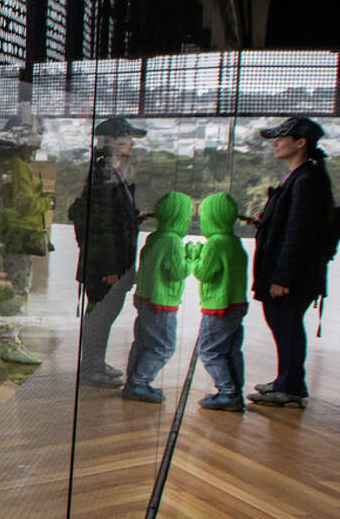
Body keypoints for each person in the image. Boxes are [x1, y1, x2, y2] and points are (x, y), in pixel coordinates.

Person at [248, 117, 338, 409]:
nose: (276, 143)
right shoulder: (302, 176)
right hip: (291, 272)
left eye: (281, 137)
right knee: (283, 324)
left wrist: (283, 277)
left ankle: (288, 387)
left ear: (301, 142)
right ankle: (288, 381)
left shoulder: (307, 179)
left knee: (286, 325)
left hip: (292, 275)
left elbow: (299, 233)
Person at [72, 118, 146, 387]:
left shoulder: (111, 172)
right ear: (113, 142)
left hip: (107, 265)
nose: (131, 143)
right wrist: (109, 268)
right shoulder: (103, 173)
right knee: (100, 316)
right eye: (127, 137)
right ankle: (91, 367)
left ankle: (95, 363)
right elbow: (100, 225)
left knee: (103, 316)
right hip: (104, 269)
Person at [122, 192, 194, 403]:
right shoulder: (173, 242)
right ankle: (139, 383)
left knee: (142, 342)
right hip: (162, 304)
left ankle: (133, 381)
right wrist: (191, 258)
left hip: (145, 299)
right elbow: (177, 273)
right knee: (163, 346)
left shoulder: (155, 237)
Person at [186, 191, 248, 411]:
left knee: (209, 351)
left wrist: (195, 257)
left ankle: (227, 392)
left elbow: (204, 273)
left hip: (218, 308)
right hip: (237, 306)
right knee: (232, 350)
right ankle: (235, 391)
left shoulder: (215, 244)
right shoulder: (235, 242)